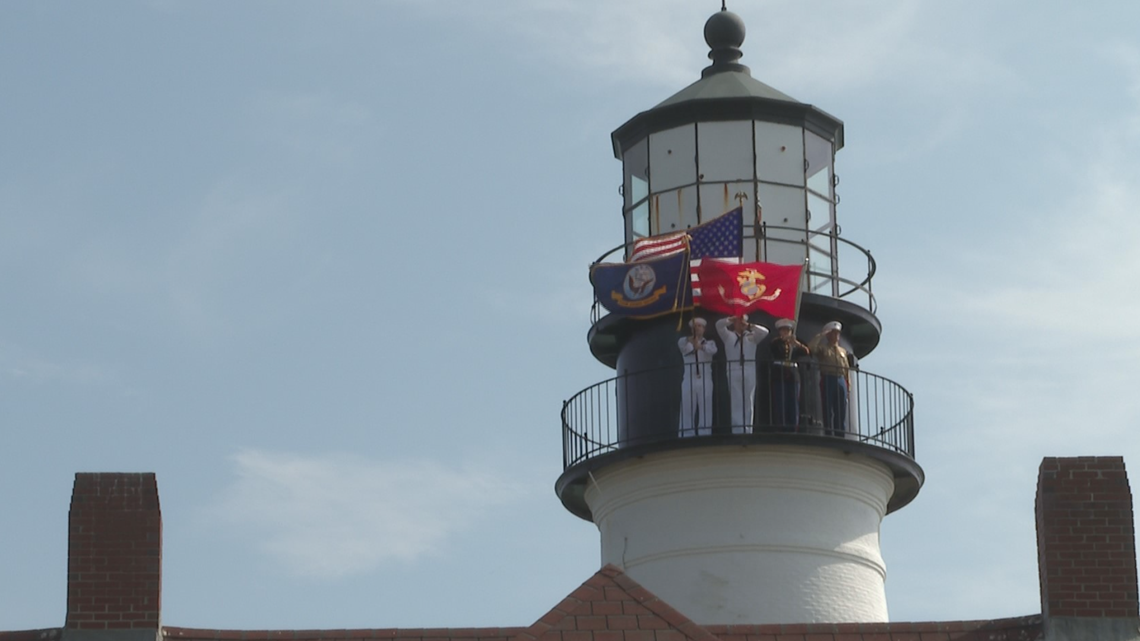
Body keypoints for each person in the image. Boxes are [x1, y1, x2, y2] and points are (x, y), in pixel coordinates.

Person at [716, 314, 769, 434]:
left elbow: (765, 332)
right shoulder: (728, 336)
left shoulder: (751, 337)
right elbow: (718, 326)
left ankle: (748, 430)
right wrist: (730, 319)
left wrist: (750, 326)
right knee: (736, 401)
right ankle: (737, 430)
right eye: (738, 322)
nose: (740, 324)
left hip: (748, 370)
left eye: (742, 322)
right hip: (734, 369)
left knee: (748, 401)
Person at [809, 320, 854, 436]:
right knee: (828, 408)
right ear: (828, 335)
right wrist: (820, 335)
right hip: (828, 378)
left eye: (838, 333)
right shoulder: (823, 349)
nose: (836, 335)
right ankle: (829, 433)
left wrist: (848, 386)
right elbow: (811, 348)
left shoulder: (843, 351)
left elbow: (847, 369)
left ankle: (840, 434)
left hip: (841, 380)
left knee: (841, 410)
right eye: (833, 333)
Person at [678, 317, 717, 437]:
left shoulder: (709, 343)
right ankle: (686, 433)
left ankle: (705, 433)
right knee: (687, 406)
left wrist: (700, 346)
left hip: (705, 377)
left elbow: (713, 351)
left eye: (700, 326)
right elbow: (685, 349)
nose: (697, 328)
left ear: (704, 329)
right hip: (689, 377)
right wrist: (692, 342)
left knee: (705, 405)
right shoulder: (683, 341)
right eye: (695, 326)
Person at [768, 318, 809, 430]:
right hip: (779, 372)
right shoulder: (776, 342)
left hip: (792, 374)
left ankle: (792, 427)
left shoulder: (794, 345)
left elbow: (806, 352)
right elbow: (773, 347)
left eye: (788, 330)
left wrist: (796, 343)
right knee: (780, 401)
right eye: (783, 330)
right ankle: (781, 426)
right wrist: (783, 340)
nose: (785, 333)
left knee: (793, 402)